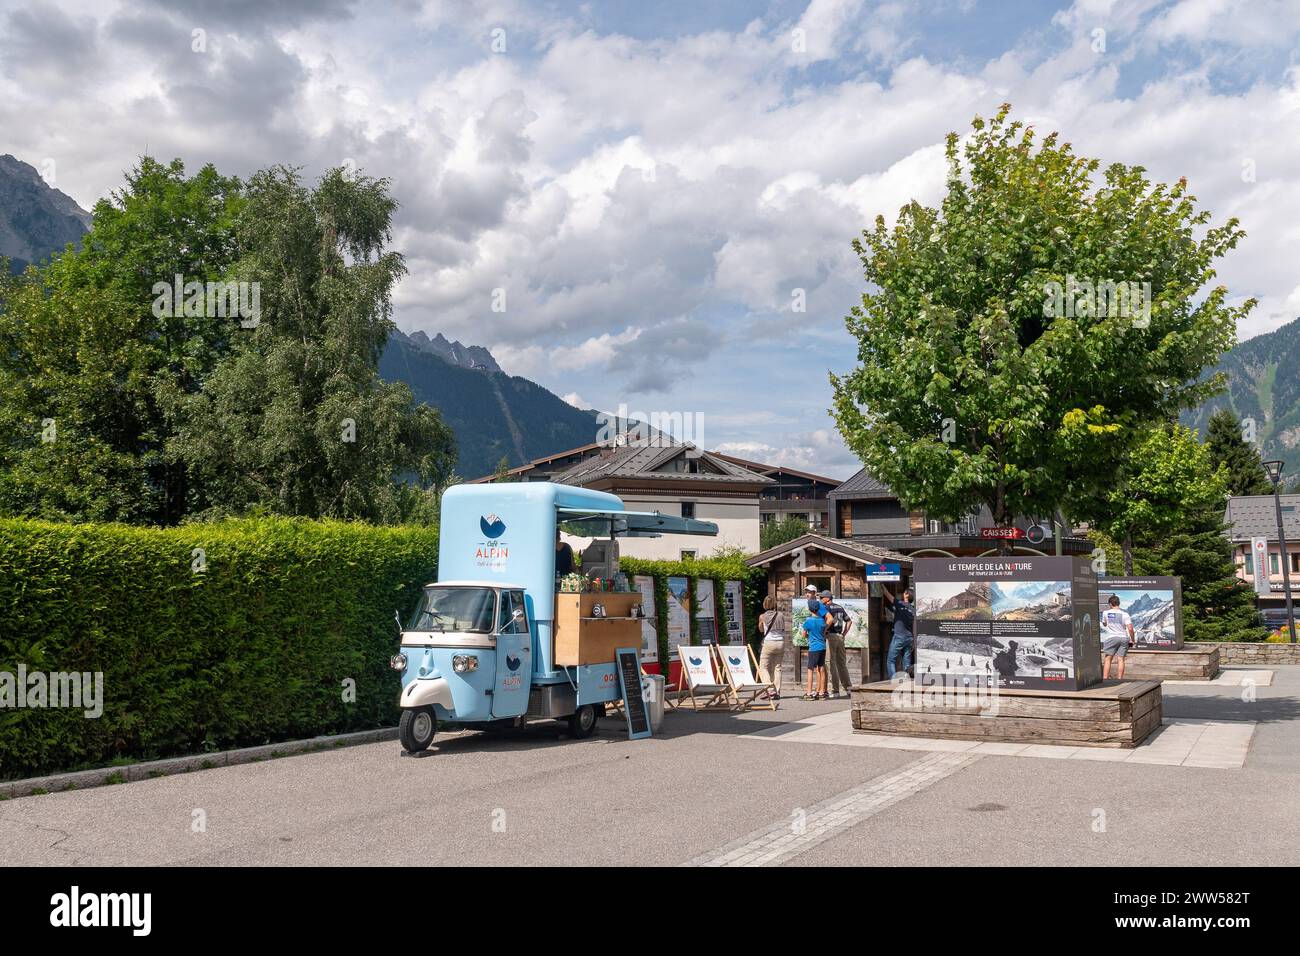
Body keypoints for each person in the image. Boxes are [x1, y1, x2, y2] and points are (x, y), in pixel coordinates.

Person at [820, 591, 852, 699]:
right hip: (840, 637)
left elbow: (827, 621)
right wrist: (844, 634)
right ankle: (848, 688)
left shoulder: (826, 608)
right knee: (842, 664)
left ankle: (835, 690)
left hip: (830, 636)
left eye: (822, 597)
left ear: (827, 598)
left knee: (830, 663)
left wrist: (823, 632)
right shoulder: (839, 607)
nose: (820, 599)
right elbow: (849, 621)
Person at [757, 595, 789, 699]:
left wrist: (761, 624)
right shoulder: (780, 615)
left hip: (769, 642)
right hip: (780, 642)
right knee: (777, 667)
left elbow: (761, 630)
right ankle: (777, 692)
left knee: (763, 667)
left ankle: (770, 689)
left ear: (764, 604)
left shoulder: (762, 616)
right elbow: (783, 628)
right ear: (774, 604)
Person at [881, 587, 915, 680]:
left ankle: (893, 681)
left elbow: (886, 593)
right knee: (906, 662)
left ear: (907, 595)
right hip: (909, 638)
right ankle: (907, 680)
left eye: (904, 592)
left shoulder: (899, 604)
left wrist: (881, 583)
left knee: (890, 660)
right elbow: (914, 626)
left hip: (899, 636)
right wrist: (913, 641)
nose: (902, 594)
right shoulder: (913, 610)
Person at [1100, 594, 1134, 680]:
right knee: (1121, 659)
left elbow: (1104, 623)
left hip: (1111, 637)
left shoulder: (1105, 613)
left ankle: (1105, 679)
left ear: (1110, 604)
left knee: (1108, 659)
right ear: (1119, 603)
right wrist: (1132, 640)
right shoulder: (1125, 614)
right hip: (1123, 638)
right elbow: (1130, 628)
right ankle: (1119, 679)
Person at [801, 604, 828, 700]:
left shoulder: (808, 621)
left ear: (809, 609)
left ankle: (809, 692)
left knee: (810, 669)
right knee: (821, 668)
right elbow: (824, 632)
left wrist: (809, 637)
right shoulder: (822, 620)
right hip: (822, 646)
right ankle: (821, 692)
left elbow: (803, 634)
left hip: (813, 648)